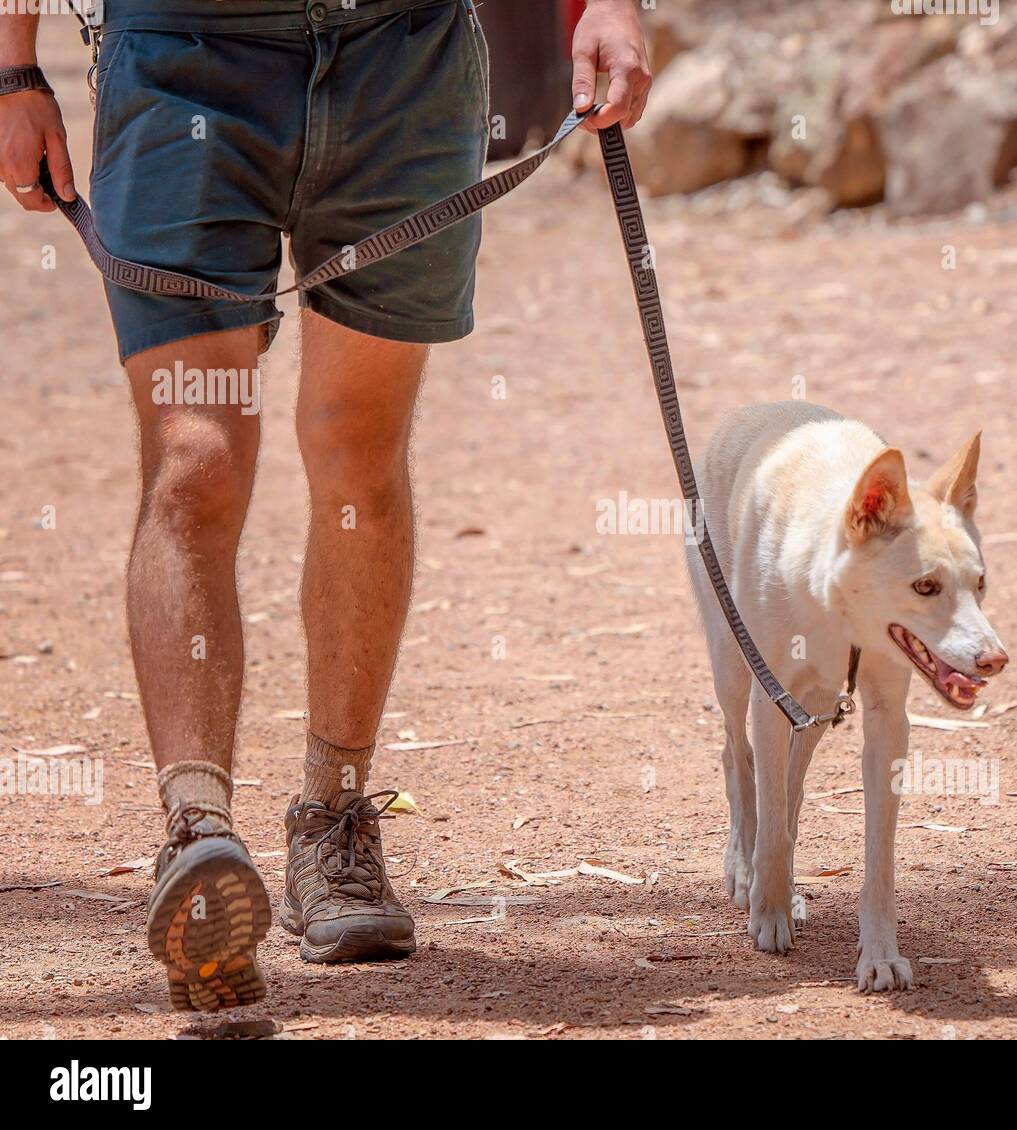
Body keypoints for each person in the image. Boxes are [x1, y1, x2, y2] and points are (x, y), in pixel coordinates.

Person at [0, 0, 651, 1010]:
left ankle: (336, 823)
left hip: (404, 56)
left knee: (358, 452)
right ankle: (198, 837)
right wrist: (13, 63)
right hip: (182, 53)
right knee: (193, 457)